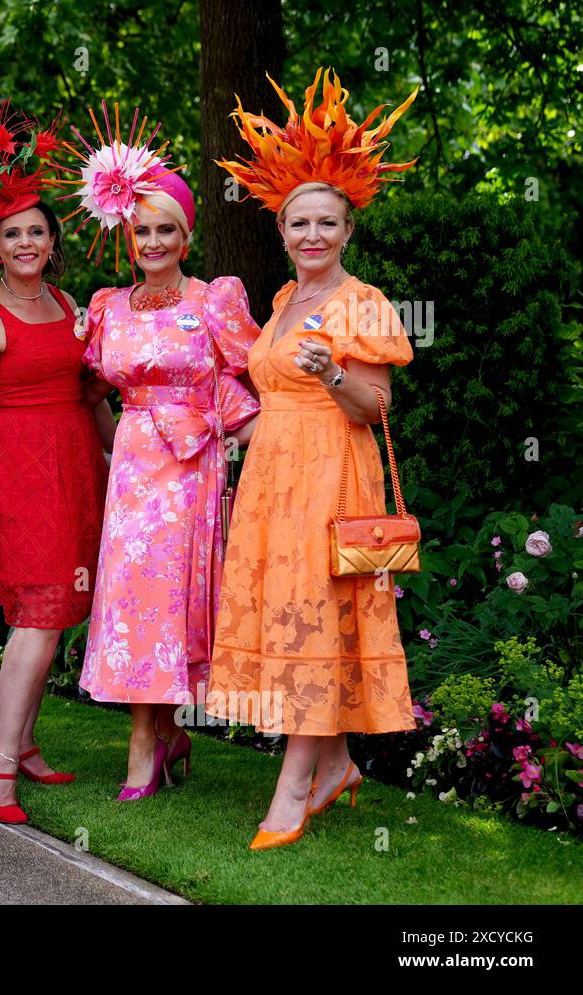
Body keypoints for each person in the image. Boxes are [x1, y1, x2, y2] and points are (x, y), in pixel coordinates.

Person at [209, 68, 420, 849]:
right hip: (272, 478)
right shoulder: (279, 306)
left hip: (333, 474)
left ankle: (293, 787)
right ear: (282, 230)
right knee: (297, 621)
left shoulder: (361, 302)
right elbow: (266, 391)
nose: (313, 235)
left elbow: (375, 407)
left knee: (317, 622)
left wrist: (333, 373)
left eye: (327, 223)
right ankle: (334, 766)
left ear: (348, 230)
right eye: (300, 222)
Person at [63, 122, 261, 800]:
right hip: (134, 463)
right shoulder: (107, 308)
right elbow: (88, 387)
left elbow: (254, 375)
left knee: (171, 600)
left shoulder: (215, 299)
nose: (152, 243)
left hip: (191, 469)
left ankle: (148, 741)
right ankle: (160, 734)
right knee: (132, 598)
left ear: (185, 236)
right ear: (129, 237)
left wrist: (237, 428)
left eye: (166, 231)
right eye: (141, 232)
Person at [0, 106, 112, 823]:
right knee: (38, 614)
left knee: (61, 611)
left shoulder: (70, 303)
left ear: (51, 239)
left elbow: (92, 391)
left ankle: (28, 741)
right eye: (13, 234)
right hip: (18, 479)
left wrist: (119, 458)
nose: (27, 242)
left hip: (76, 473)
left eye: (37, 230)